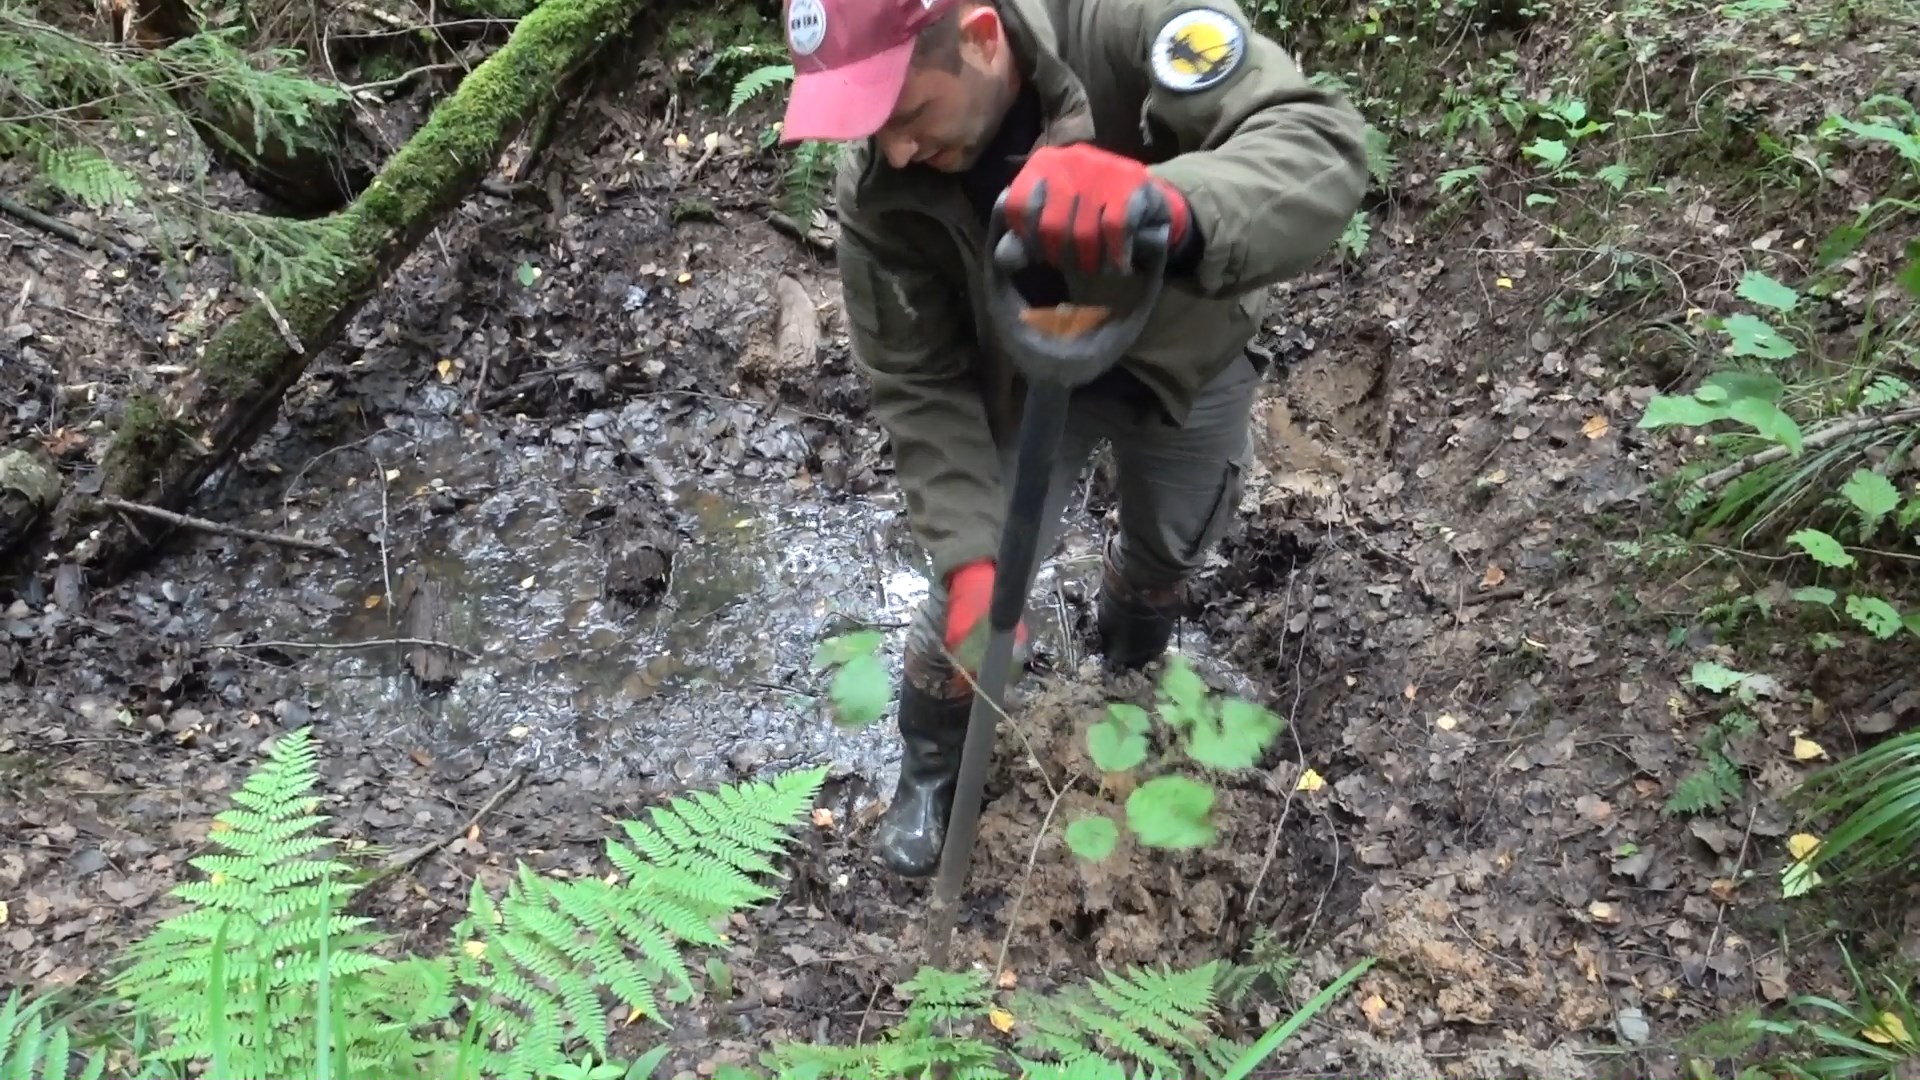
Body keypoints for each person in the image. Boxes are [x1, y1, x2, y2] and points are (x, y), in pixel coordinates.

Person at [777, 0, 1369, 877]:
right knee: (969, 600)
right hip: (1029, 375)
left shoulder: (1125, 20)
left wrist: (1169, 203)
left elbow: (1319, 145)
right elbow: (918, 378)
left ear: (982, 37)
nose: (893, 148)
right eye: (870, 125)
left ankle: (1129, 660)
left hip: (1186, 354)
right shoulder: (878, 186)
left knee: (1174, 538)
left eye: (906, 114)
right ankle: (934, 774)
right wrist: (975, 563)